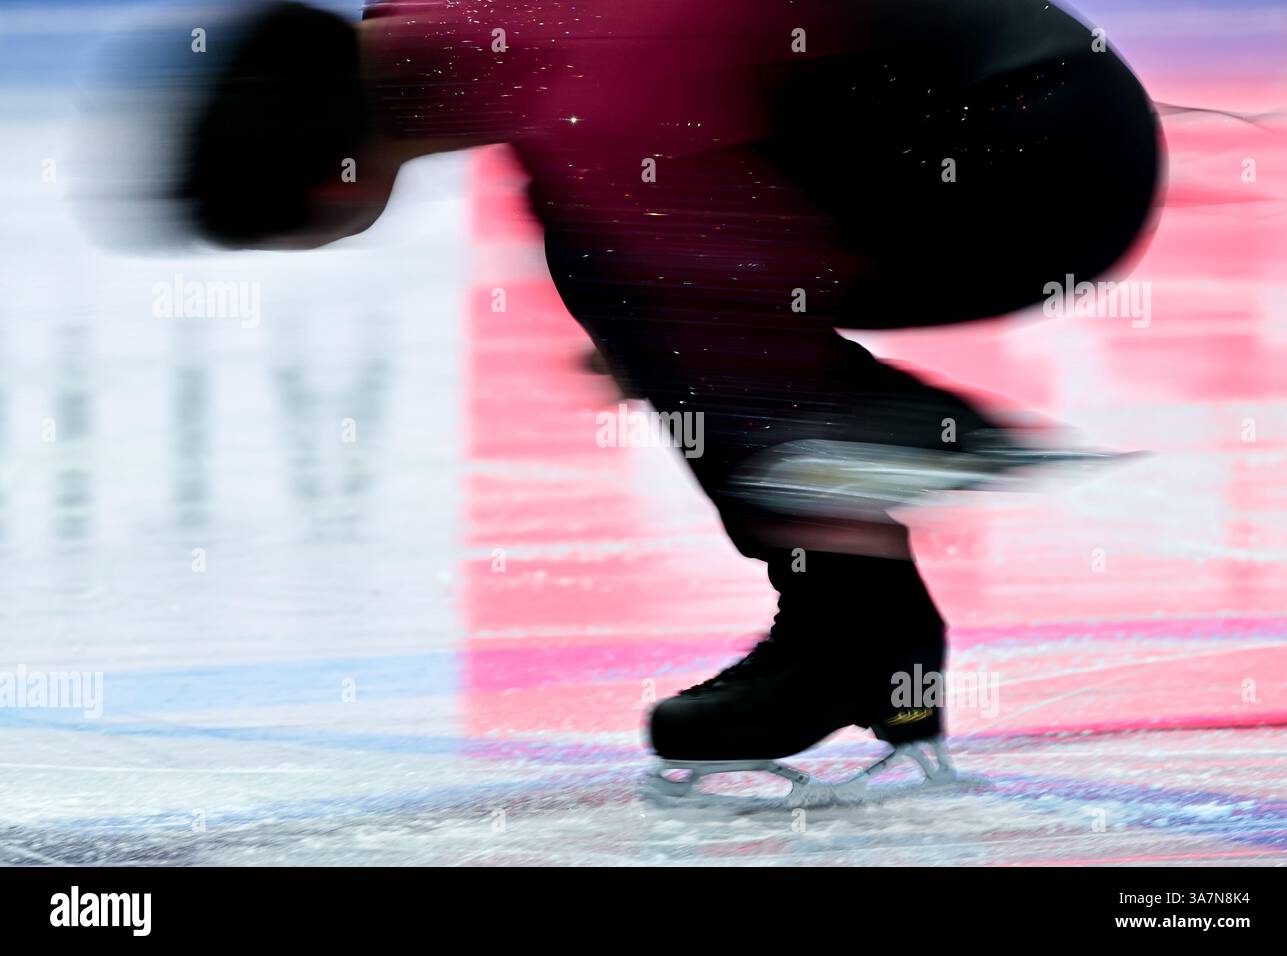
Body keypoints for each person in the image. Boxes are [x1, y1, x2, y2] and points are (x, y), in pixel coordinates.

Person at [176, 0, 1161, 802]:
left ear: (323, 196)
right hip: (1019, 97)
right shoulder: (455, 35)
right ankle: (861, 623)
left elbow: (744, 265)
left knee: (616, 258)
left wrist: (737, 371)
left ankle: (853, 631)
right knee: (627, 265)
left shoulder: (585, 110)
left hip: (1039, 158)